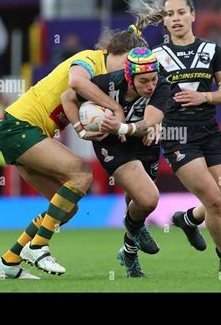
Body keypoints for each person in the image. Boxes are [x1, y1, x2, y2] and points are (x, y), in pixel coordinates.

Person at [0, 4, 165, 280]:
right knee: (81, 173)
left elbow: (66, 101)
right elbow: (75, 83)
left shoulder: (110, 81)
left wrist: (83, 129)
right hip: (18, 126)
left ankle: (8, 262)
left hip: (25, 132)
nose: (129, 73)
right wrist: (115, 111)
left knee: (65, 209)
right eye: (127, 64)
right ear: (113, 54)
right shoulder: (89, 59)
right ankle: (39, 246)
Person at [153, 0, 221, 273]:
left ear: (193, 15)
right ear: (164, 22)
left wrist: (203, 98)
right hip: (177, 135)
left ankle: (188, 219)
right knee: (214, 200)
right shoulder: (155, 57)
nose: (176, 18)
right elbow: (144, 94)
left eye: (181, 12)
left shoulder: (212, 50)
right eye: (169, 14)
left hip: (210, 133)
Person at [62, 47, 171, 277]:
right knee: (149, 198)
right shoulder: (109, 83)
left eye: (153, 79)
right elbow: (67, 97)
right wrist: (80, 130)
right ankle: (134, 226)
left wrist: (122, 127)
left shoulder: (161, 84)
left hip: (144, 143)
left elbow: (150, 122)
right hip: (112, 145)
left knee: (137, 202)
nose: (150, 86)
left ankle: (129, 252)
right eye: (144, 81)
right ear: (129, 78)